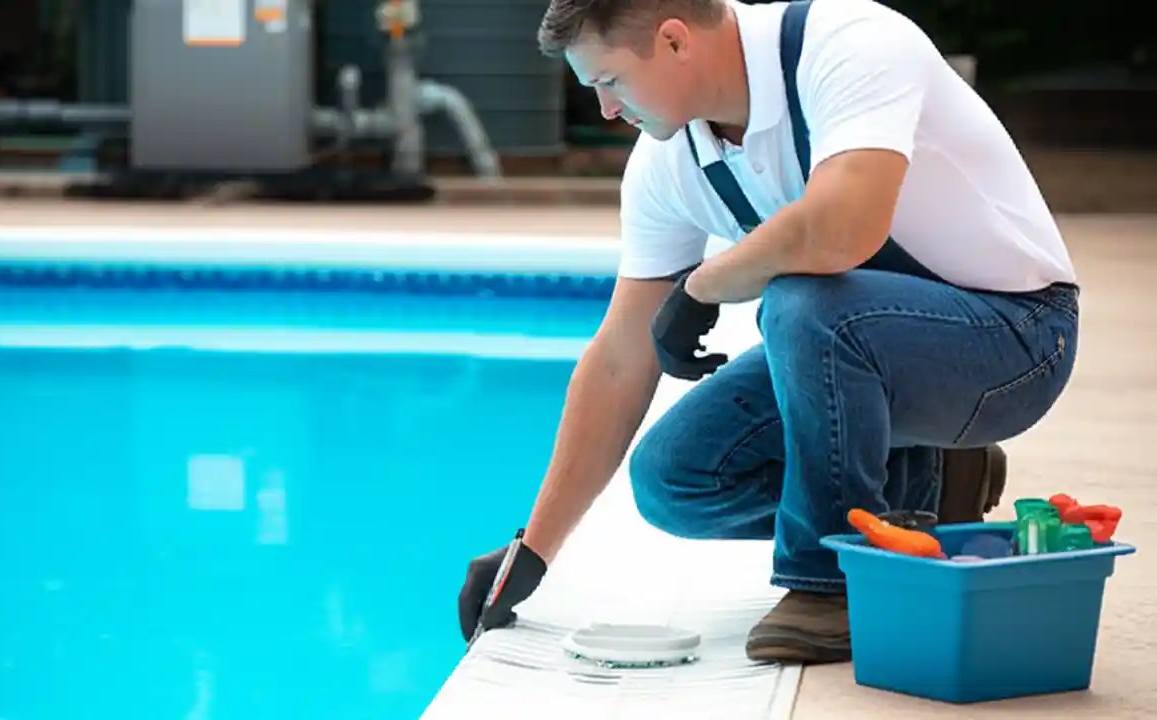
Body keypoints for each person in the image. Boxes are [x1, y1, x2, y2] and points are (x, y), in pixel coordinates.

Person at [457, 0, 1079, 665]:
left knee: (800, 304)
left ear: (672, 41)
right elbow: (618, 358)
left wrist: (702, 286)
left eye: (609, 82)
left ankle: (829, 583)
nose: (607, 110)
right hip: (876, 348)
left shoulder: (850, 44)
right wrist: (535, 549)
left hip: (1017, 340)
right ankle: (921, 489)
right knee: (676, 478)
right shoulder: (668, 164)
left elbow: (843, 226)